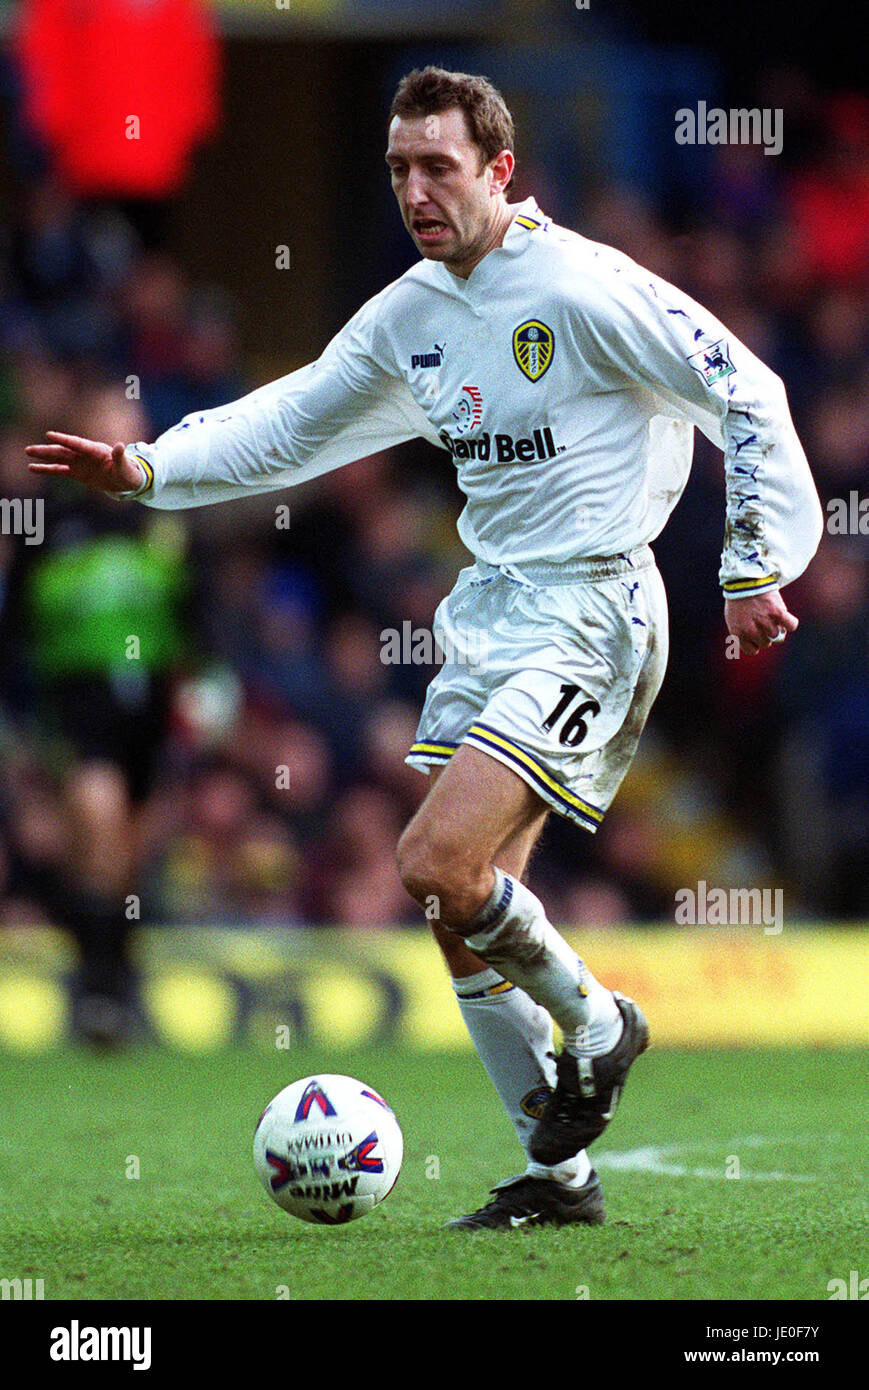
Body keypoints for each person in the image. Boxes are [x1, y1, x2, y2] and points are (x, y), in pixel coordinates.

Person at [26, 67, 823, 1229]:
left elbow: (741, 389)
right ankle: (558, 1180)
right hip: (489, 613)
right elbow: (293, 419)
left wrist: (752, 563)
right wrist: (150, 466)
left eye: (438, 167)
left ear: (499, 171)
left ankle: (599, 1021)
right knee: (457, 910)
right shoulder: (411, 314)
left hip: (591, 609)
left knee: (434, 861)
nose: (414, 191)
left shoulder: (583, 285)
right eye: (399, 169)